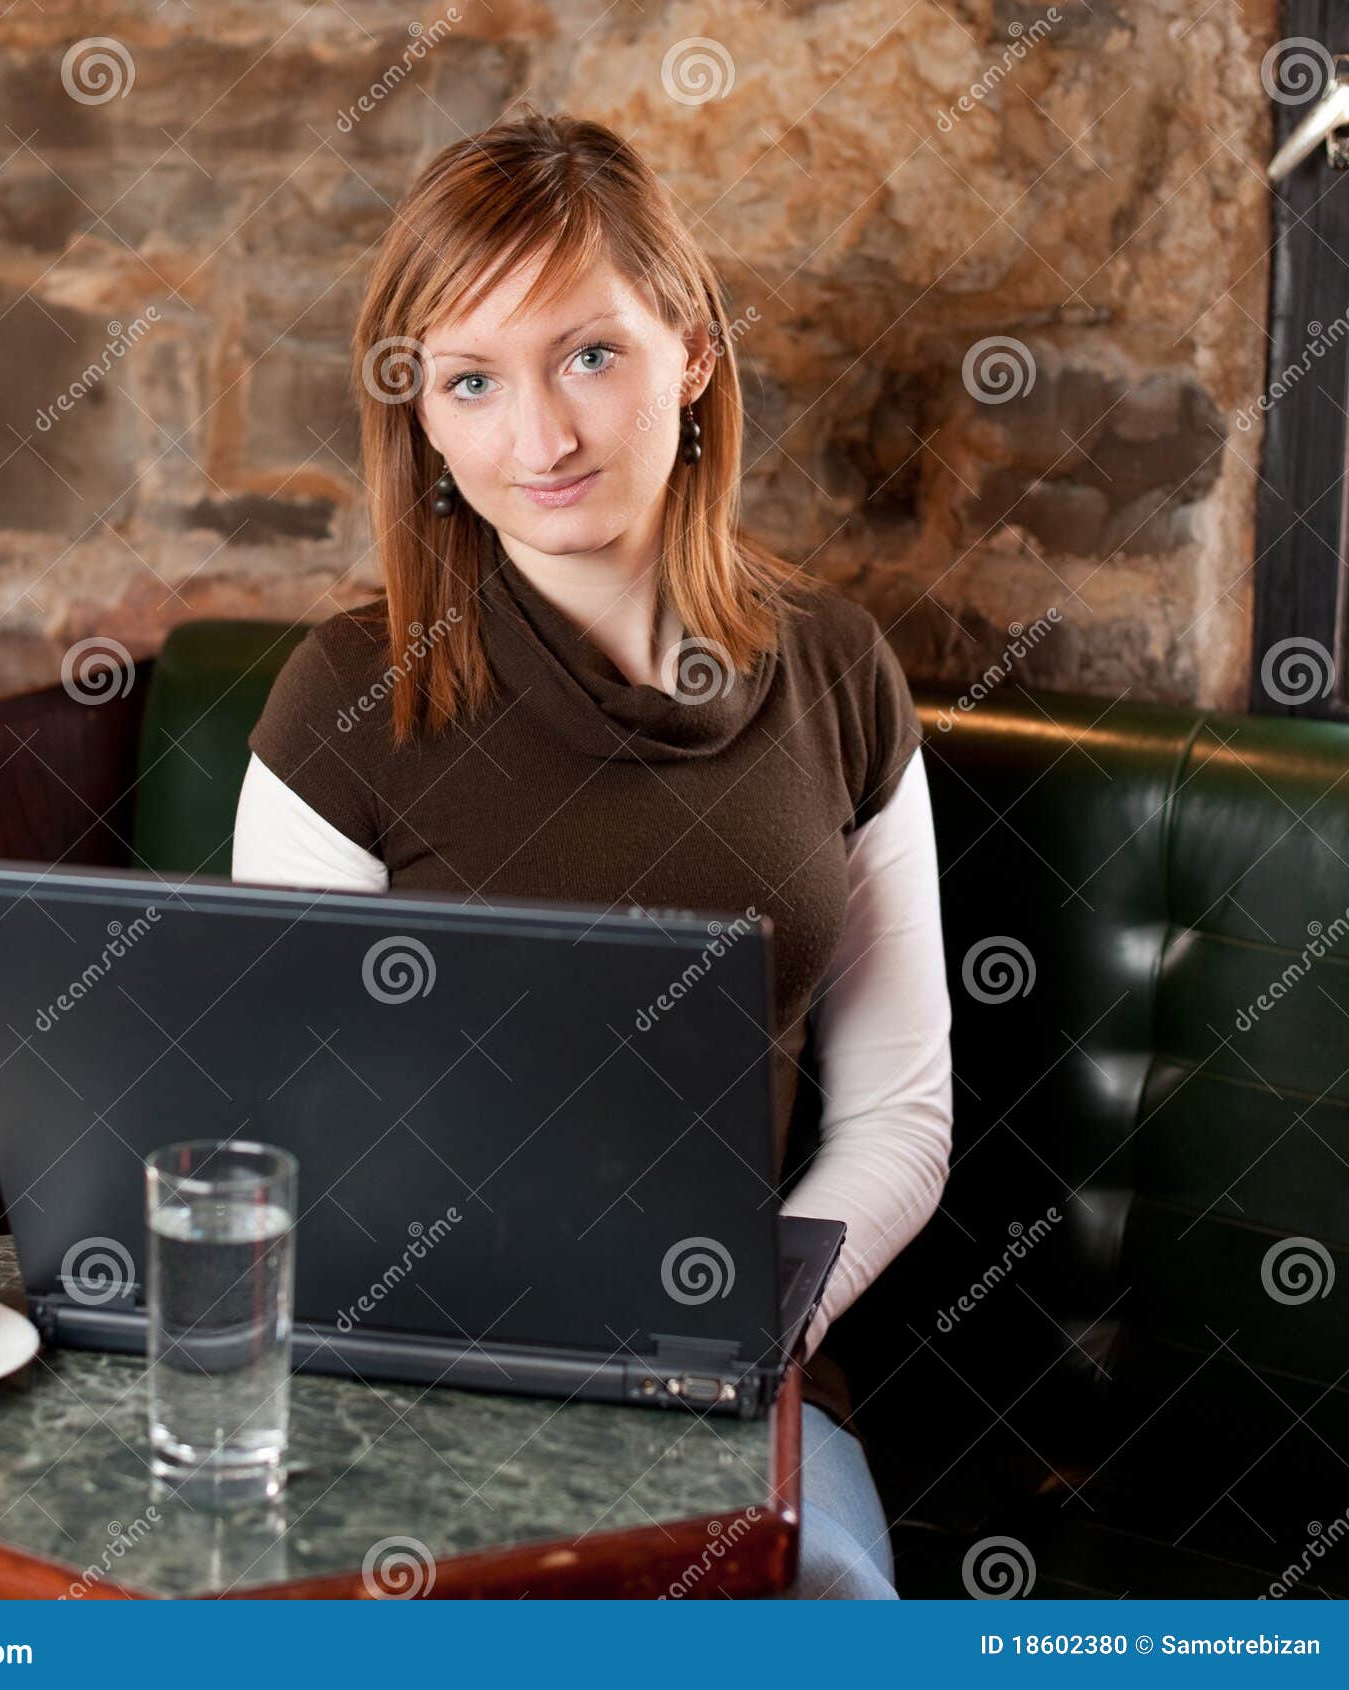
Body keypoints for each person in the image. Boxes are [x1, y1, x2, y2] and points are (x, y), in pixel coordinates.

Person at [231, 108, 952, 1600]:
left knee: (833, 1612)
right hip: (417, 1376)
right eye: (474, 381)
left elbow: (900, 1111)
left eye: (589, 355)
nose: (540, 437)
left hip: (745, 1370)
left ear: (689, 349)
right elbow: (282, 1139)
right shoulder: (347, 699)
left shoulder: (840, 670)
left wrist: (741, 1329)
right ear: (420, 415)